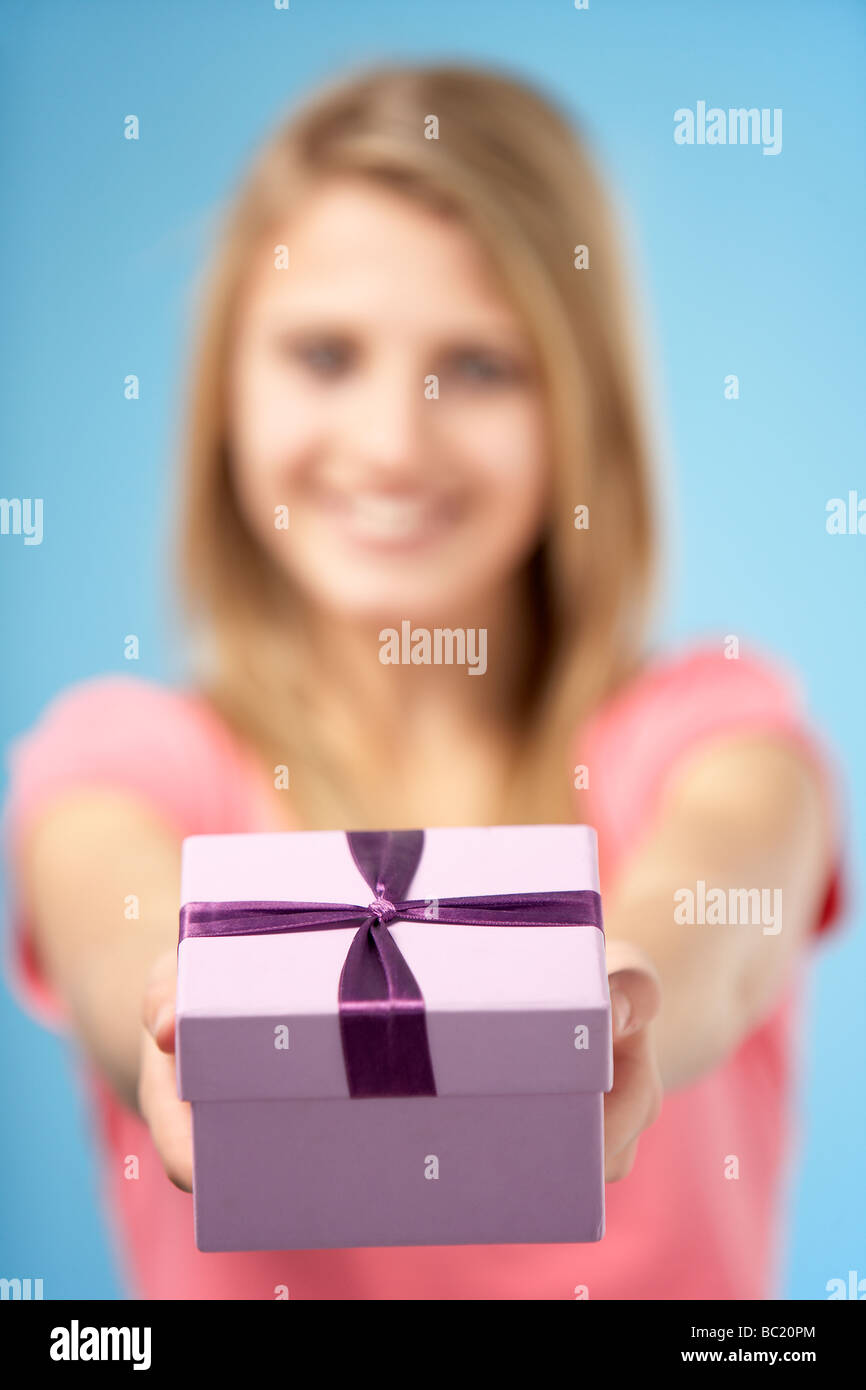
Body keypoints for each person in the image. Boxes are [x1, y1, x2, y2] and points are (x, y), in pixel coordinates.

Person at [3, 63, 845, 1300]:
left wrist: (620, 1001)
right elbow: (112, 930)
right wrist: (168, 1033)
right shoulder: (123, 765)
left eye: (481, 366)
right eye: (325, 353)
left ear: (581, 410)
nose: (394, 442)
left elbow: (721, 909)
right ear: (224, 394)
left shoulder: (709, 733)